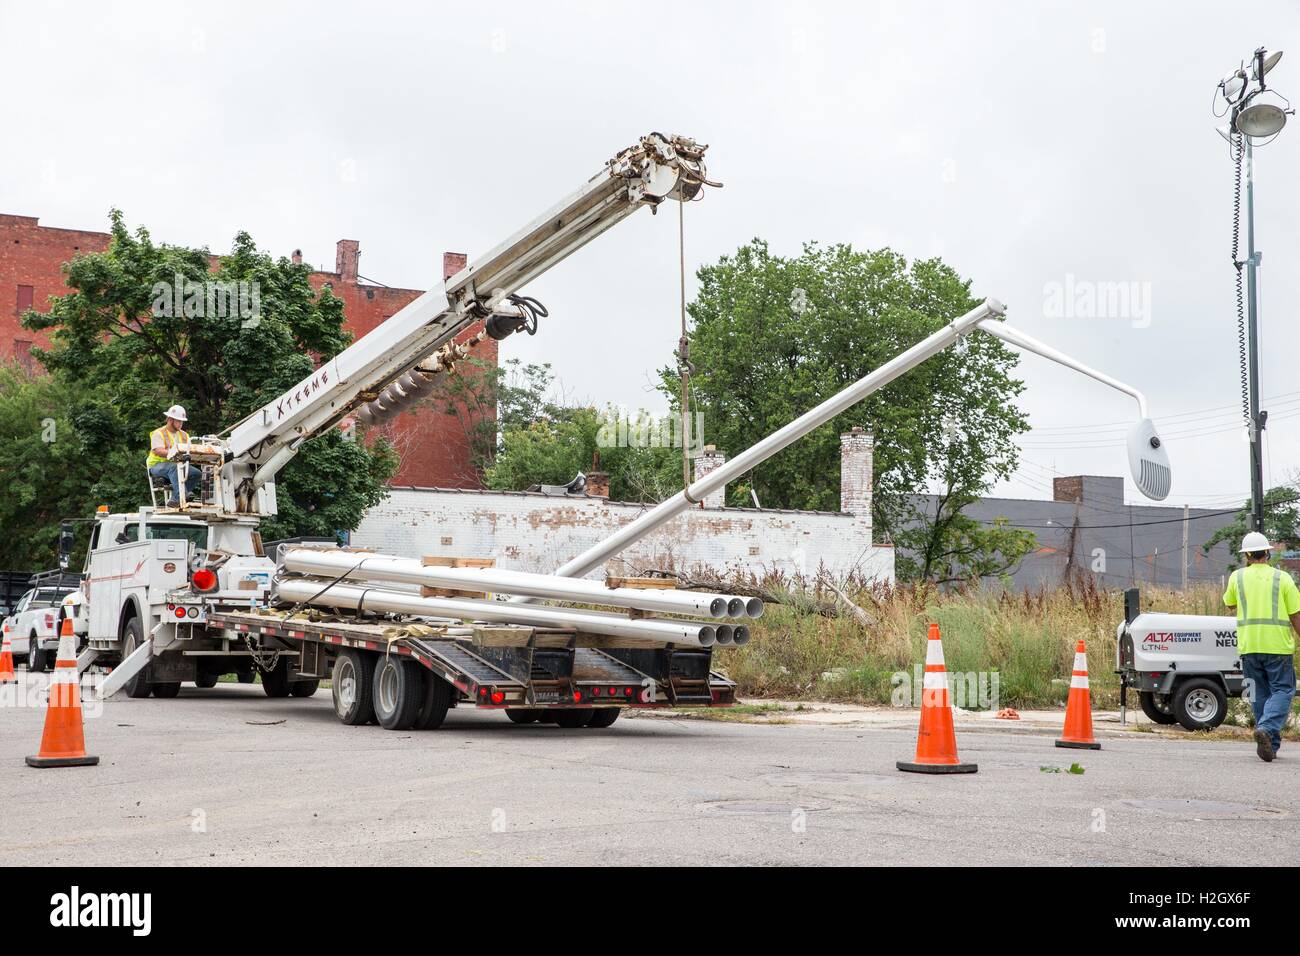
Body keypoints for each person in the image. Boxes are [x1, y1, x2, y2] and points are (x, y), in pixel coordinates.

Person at [1221, 531, 1299, 762]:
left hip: (1249, 646)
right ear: (1267, 552)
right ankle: (1266, 727)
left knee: (1259, 695)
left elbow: (1229, 604)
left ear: (1246, 555)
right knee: (1283, 691)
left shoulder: (1237, 577)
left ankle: (1270, 746)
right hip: (1277, 646)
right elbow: (1296, 614)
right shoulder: (1282, 578)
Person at [146, 404, 199, 507]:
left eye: (182, 421)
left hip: (176, 465)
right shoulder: (158, 433)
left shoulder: (184, 435)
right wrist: (176, 454)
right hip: (157, 465)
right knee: (175, 468)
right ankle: (182, 495)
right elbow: (158, 451)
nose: (181, 424)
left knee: (196, 473)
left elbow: (189, 450)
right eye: (179, 421)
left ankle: (175, 499)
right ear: (170, 420)